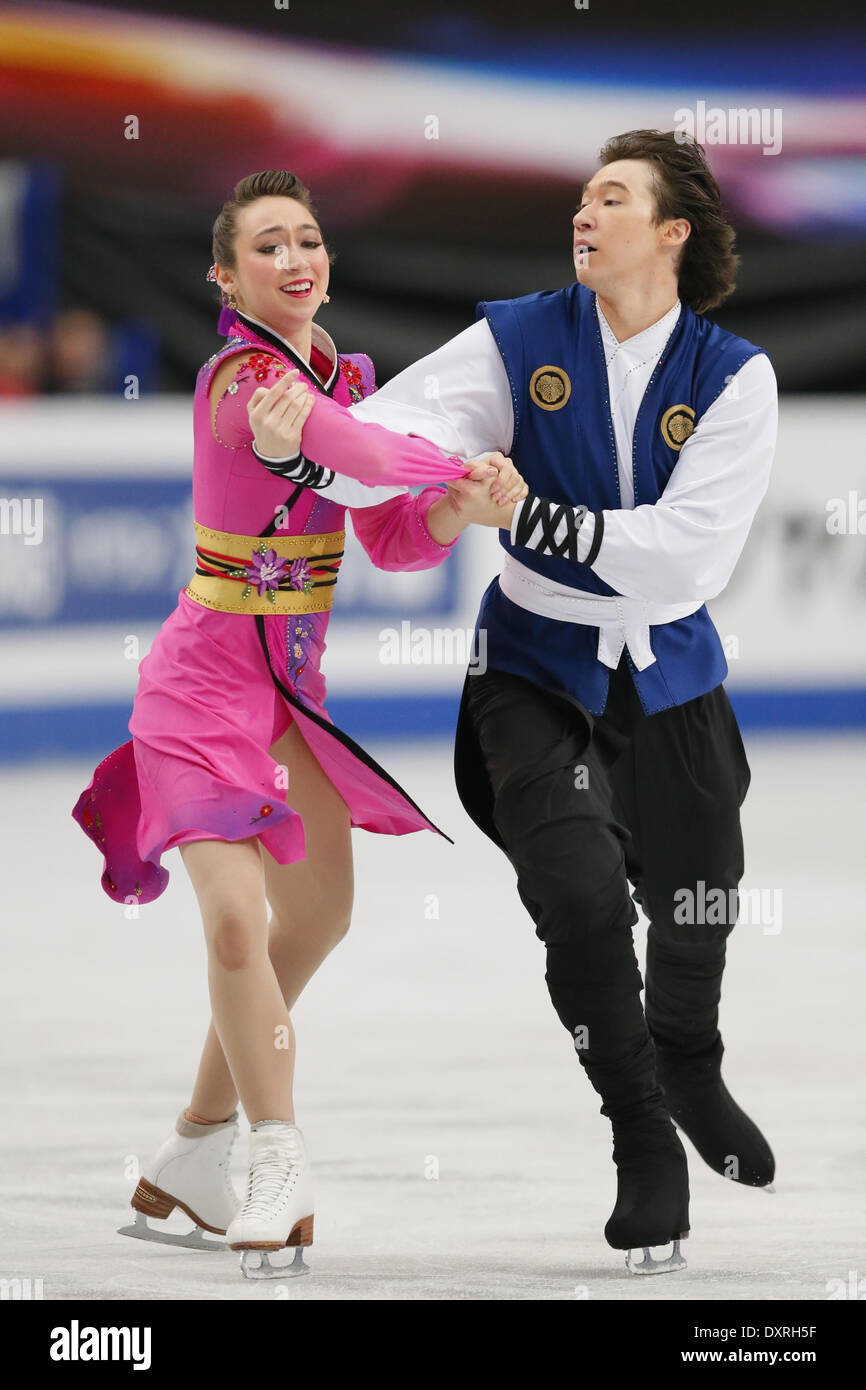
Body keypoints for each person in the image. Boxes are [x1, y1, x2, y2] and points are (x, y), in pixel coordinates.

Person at [283, 130, 779, 1276]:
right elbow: (397, 437)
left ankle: (688, 1056)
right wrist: (309, 447)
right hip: (531, 672)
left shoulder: (732, 376)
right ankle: (640, 1131)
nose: (583, 213)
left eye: (612, 198)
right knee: (583, 899)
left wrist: (529, 517)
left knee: (698, 897)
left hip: (670, 670)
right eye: (580, 197)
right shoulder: (517, 339)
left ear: (671, 231)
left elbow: (679, 562)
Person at [72, 170, 524, 1280]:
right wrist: (449, 463)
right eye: (266, 245)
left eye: (308, 239)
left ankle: (189, 1145)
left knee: (316, 918)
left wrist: (452, 510)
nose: (294, 257)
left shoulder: (345, 378)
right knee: (235, 920)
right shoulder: (239, 379)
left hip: (288, 698)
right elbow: (361, 457)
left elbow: (387, 535)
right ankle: (272, 1157)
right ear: (225, 277)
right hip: (197, 687)